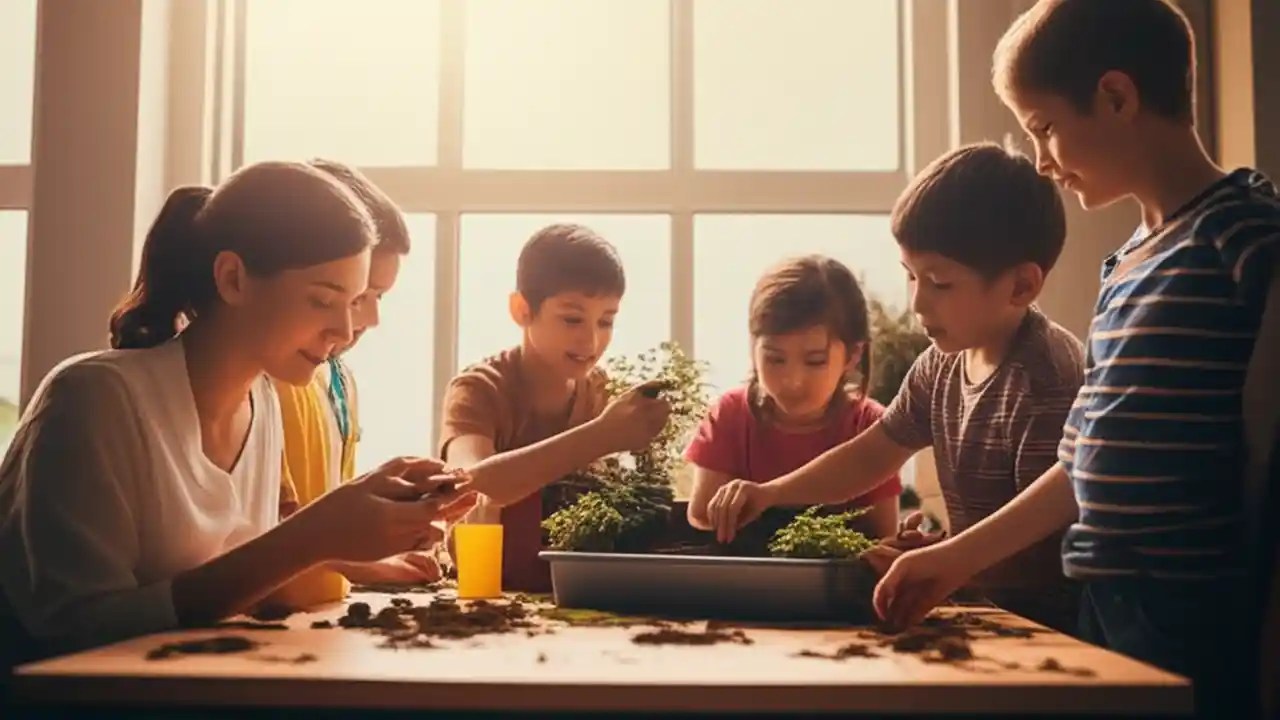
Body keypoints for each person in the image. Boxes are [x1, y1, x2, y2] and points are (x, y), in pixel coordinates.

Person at [874, 1, 1280, 716]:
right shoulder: (1125, 263)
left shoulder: (1243, 230)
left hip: (1196, 608)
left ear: (1116, 97)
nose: (1043, 160)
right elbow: (1082, 459)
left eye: (1046, 128)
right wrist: (952, 559)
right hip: (1106, 597)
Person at [0, 161, 474, 666]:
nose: (344, 329)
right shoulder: (95, 398)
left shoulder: (262, 402)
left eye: (355, 301)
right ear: (233, 279)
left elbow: (234, 587)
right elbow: (72, 633)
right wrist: (313, 536)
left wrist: (362, 513)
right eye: (322, 300)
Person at [704, 142, 1085, 634]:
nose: (917, 303)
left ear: (1020, 287)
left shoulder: (1045, 378)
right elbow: (870, 454)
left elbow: (1044, 544)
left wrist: (946, 556)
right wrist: (772, 492)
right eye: (910, 277)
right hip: (981, 615)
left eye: (939, 283)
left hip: (1047, 629)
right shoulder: (938, 366)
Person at [439, 223, 670, 592]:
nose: (591, 340)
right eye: (572, 319)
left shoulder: (599, 392)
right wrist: (601, 436)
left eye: (606, 321)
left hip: (574, 586)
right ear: (522, 310)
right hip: (490, 586)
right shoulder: (481, 389)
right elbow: (470, 483)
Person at [270, 160, 439, 605]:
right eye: (357, 296)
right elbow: (277, 528)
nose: (368, 318)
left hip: (319, 616)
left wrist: (382, 547)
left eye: (376, 297)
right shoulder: (273, 375)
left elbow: (319, 524)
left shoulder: (339, 380)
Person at [685, 255, 901, 543]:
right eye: (775, 359)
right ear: (753, 347)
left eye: (814, 361)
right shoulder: (731, 415)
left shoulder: (870, 426)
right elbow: (700, 514)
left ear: (852, 356)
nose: (792, 380)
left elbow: (883, 533)